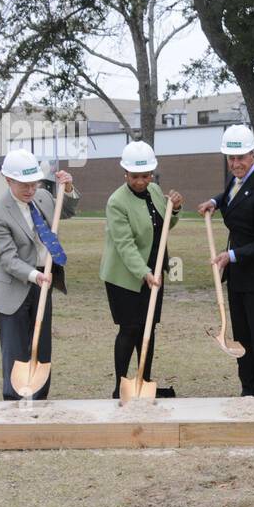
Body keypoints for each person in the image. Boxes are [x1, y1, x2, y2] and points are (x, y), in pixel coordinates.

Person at [196, 125, 254, 396]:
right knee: (242, 337)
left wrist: (231, 256)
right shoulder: (236, 181)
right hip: (239, 278)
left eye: (241, 158)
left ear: (253, 155)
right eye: (231, 158)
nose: (235, 163)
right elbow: (231, 197)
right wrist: (215, 201)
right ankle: (248, 389)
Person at [0, 148, 78, 400]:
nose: (29, 190)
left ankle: (39, 399)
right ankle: (14, 401)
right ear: (8, 181)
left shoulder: (43, 197)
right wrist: (34, 276)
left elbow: (66, 210)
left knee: (42, 344)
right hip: (14, 283)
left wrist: (67, 189)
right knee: (15, 349)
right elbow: (7, 259)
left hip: (43, 279)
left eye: (33, 183)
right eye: (23, 185)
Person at [98, 141, 183, 398]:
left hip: (154, 272)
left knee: (149, 328)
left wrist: (176, 208)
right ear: (125, 174)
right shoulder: (116, 202)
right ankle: (120, 387)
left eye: (145, 176)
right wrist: (144, 272)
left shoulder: (156, 191)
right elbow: (125, 245)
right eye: (135, 176)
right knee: (130, 328)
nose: (140, 181)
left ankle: (143, 381)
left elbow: (165, 224)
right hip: (125, 276)